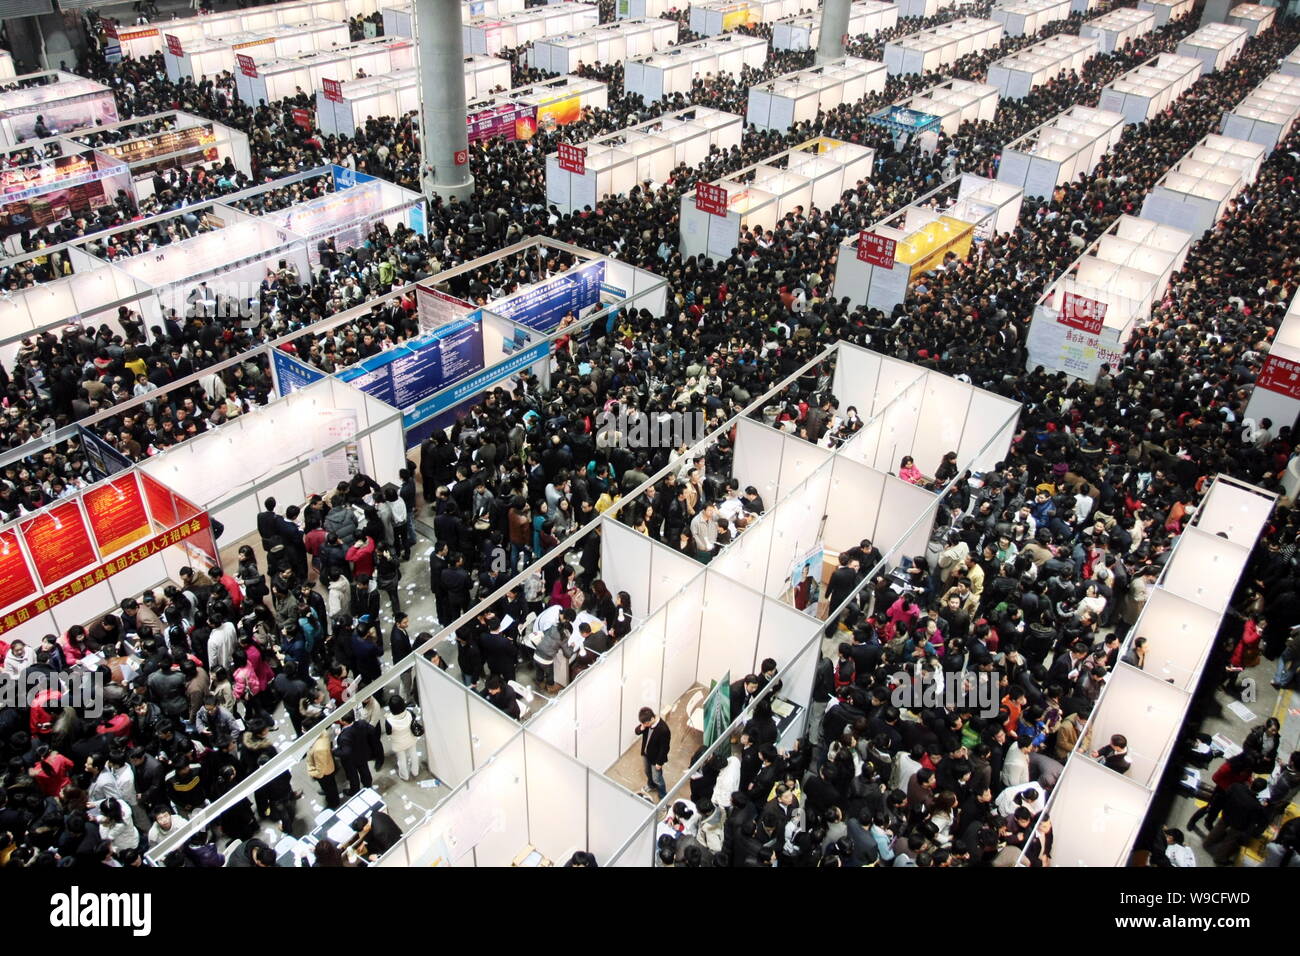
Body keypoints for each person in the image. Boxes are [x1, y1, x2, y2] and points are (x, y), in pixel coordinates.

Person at [334, 709, 383, 797]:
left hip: (351, 760)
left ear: (344, 722)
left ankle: (354, 790)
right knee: (365, 771)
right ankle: (368, 785)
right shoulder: (362, 723)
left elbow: (346, 752)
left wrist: (334, 751)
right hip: (363, 753)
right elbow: (371, 730)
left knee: (353, 777)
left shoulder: (344, 736)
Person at [635, 706, 670, 801]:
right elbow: (637, 731)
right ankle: (651, 785)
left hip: (656, 758)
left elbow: (665, 748)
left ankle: (663, 795)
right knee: (647, 772)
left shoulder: (663, 729)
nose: (644, 725)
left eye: (645, 723)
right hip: (646, 754)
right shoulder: (646, 724)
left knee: (657, 778)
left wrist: (659, 763)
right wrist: (642, 728)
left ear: (651, 719)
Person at [384, 694, 420, 782]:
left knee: (402, 760)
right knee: (413, 754)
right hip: (411, 739)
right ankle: (415, 771)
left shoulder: (389, 721)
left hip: (399, 744)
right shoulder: (409, 713)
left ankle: (404, 776)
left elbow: (389, 733)